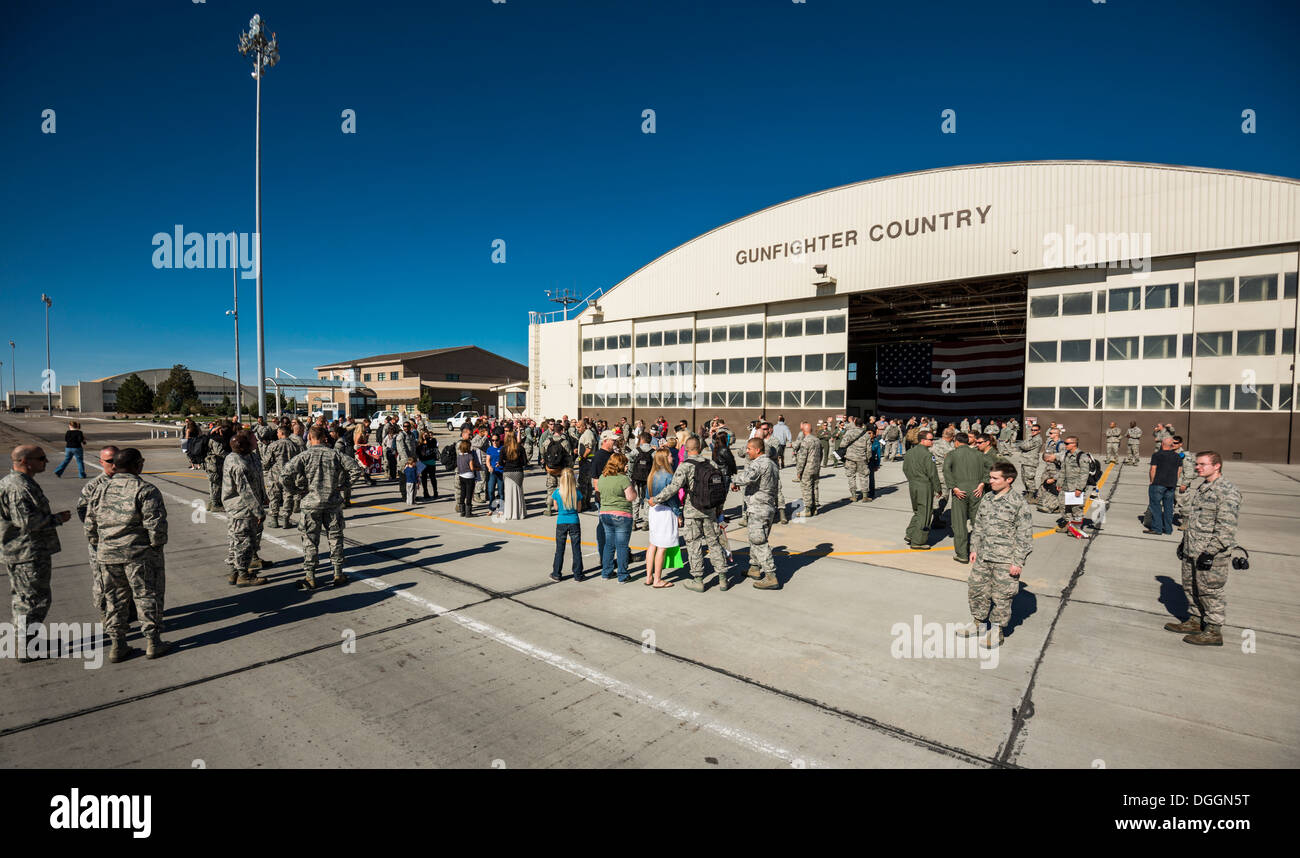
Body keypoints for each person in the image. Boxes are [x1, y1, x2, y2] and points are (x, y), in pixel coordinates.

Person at [85, 447, 170, 661]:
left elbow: (90, 525)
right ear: (136, 465)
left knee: (114, 600)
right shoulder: (145, 489)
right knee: (146, 595)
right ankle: (153, 642)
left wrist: (100, 544)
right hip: (138, 554)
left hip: (107, 555)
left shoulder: (100, 489)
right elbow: (156, 527)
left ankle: (117, 645)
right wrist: (156, 547)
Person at [1, 445, 71, 660]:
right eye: (41, 458)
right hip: (26, 552)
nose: (45, 462)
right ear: (25, 461)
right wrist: (57, 519)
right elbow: (26, 522)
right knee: (33, 600)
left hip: (23, 550)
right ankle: (26, 647)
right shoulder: (19, 487)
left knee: (24, 598)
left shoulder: (17, 482)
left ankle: (29, 640)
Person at [1166, 451, 1241, 646]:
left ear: (1217, 466)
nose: (1197, 467)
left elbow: (1226, 528)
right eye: (1197, 464)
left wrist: (1210, 551)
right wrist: (1184, 543)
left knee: (1210, 592)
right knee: (1190, 587)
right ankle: (1194, 620)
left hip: (1211, 554)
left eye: (1202, 464)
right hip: (1193, 548)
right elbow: (1195, 519)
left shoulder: (1227, 491)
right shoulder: (1203, 487)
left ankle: (1213, 631)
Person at [956, 462, 1032, 649]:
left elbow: (1025, 534)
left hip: (1005, 559)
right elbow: (979, 525)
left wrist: (1018, 561)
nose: (990, 481)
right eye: (990, 477)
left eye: (995, 478)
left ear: (1008, 480)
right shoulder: (988, 498)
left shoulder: (1018, 502)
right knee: (976, 590)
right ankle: (978, 624)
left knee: (1002, 597)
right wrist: (974, 548)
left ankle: (996, 632)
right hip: (983, 556)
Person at [283, 426, 364, 590]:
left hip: (311, 503)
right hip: (332, 502)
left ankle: (311, 576)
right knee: (335, 538)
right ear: (325, 438)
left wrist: (296, 491)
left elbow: (285, 474)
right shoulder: (335, 454)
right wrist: (343, 486)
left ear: (310, 438)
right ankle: (338, 573)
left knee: (310, 540)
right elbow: (355, 469)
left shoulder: (304, 456)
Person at [650, 436, 729, 592]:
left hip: (692, 511)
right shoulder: (711, 464)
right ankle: (722, 578)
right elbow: (721, 488)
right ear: (700, 448)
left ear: (686, 449)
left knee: (694, 545)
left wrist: (656, 499)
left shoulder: (685, 466)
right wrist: (719, 508)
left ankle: (698, 579)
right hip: (710, 511)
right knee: (714, 543)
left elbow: (673, 487)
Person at [731, 437, 781, 590]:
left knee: (759, 541)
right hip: (767, 507)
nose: (747, 451)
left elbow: (747, 477)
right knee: (756, 539)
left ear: (757, 450)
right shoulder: (772, 464)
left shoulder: (759, 463)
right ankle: (754, 568)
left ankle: (771, 576)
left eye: (749, 449)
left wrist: (732, 480)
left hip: (759, 508)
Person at [76, 445, 120, 620]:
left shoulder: (126, 481)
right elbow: (82, 511)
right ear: (101, 462)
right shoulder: (94, 486)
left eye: (117, 460)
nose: (114, 464)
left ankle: (127, 610)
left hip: (123, 543)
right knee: (103, 581)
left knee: (124, 581)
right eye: (110, 461)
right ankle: (105, 614)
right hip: (101, 543)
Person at [222, 431, 270, 587]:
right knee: (244, 542)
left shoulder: (246, 457)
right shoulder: (239, 464)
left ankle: (235, 572)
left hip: (244, 507)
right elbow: (245, 491)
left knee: (237, 540)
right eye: (252, 441)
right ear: (244, 446)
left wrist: (263, 495)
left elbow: (258, 479)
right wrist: (258, 511)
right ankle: (243, 575)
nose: (255, 442)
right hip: (242, 509)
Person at [943, 433, 988, 565]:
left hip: (960, 492)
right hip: (977, 491)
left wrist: (953, 487)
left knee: (959, 523)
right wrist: (982, 483)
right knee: (978, 522)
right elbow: (990, 468)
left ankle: (962, 554)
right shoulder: (979, 454)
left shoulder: (952, 454)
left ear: (956, 442)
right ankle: (979, 552)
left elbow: (946, 470)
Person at [597, 452, 638, 582]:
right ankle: (622, 574)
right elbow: (631, 497)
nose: (627, 467)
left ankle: (607, 572)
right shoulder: (623, 479)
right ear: (619, 465)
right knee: (622, 546)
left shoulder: (602, 477)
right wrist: (634, 489)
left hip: (605, 514)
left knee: (609, 544)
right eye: (625, 464)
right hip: (621, 515)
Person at [644, 449, 680, 589]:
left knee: (653, 543)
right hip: (665, 512)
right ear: (665, 459)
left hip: (654, 511)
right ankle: (657, 579)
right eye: (670, 455)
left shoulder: (652, 475)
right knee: (662, 546)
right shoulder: (669, 476)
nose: (672, 457)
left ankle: (649, 576)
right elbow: (672, 499)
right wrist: (678, 514)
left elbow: (648, 496)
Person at [903, 430, 941, 549]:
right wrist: (938, 488)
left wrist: (912, 479)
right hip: (924, 485)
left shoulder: (909, 452)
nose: (932, 441)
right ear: (923, 440)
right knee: (925, 513)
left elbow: (905, 469)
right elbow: (932, 473)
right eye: (930, 439)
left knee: (917, 511)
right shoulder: (928, 455)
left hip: (913, 484)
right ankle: (918, 541)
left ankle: (910, 534)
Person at [550, 468, 585, 581]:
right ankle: (578, 574)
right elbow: (579, 509)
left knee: (560, 549)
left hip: (561, 521)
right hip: (574, 521)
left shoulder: (557, 493)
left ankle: (556, 573)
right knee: (576, 548)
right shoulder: (577, 493)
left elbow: (556, 507)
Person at [1145, 436, 1181, 535]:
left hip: (1158, 484)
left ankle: (1157, 528)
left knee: (1156, 506)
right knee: (1169, 508)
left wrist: (1152, 481)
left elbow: (1153, 469)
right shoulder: (1177, 456)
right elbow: (1179, 470)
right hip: (1171, 485)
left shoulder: (1157, 455)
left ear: (1162, 444)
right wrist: (1174, 481)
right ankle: (1168, 529)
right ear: (1171, 445)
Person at [1058, 436, 1094, 527]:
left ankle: (1076, 528)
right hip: (1066, 486)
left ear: (1074, 444)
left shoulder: (1082, 456)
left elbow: (1084, 474)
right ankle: (1069, 525)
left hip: (1075, 487)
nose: (1065, 445)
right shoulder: (1067, 454)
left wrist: (1079, 488)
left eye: (1067, 443)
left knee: (1076, 508)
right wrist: (1059, 483)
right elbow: (1063, 470)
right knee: (1064, 507)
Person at [792, 421, 822, 517]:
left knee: (806, 488)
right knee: (814, 487)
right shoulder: (817, 440)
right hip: (816, 467)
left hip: (807, 469)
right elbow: (821, 454)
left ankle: (808, 509)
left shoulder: (805, 441)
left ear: (803, 431)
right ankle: (815, 508)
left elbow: (802, 458)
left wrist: (799, 471)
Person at [204, 420, 232, 511]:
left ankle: (212, 503)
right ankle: (214, 505)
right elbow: (220, 452)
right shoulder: (216, 439)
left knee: (214, 484)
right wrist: (232, 455)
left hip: (214, 464)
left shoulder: (213, 437)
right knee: (215, 484)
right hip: (214, 464)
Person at [840, 418, 870, 503]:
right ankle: (865, 496)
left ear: (855, 423)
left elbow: (842, 444)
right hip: (862, 458)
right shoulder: (866, 434)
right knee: (864, 476)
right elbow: (869, 449)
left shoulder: (849, 432)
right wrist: (867, 458)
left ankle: (853, 496)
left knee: (851, 476)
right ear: (862, 424)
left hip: (850, 458)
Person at [499, 432, 528, 519]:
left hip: (507, 472)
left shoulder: (504, 449)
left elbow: (500, 462)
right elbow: (525, 462)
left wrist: (505, 464)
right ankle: (519, 513)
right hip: (518, 472)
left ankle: (509, 514)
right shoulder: (520, 448)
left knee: (508, 493)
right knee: (518, 493)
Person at [1016, 424, 1043, 501]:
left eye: (1035, 430)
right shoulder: (1031, 437)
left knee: (1029, 479)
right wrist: (1022, 444)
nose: (1033, 431)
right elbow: (1023, 444)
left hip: (1031, 462)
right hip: (1025, 461)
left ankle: (1032, 496)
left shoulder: (1037, 439)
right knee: (1024, 478)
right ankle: (1028, 493)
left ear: (1039, 431)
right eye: (1032, 430)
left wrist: (1021, 445)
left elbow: (1025, 446)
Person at [455, 439, 478, 517]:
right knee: (469, 494)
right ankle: (468, 512)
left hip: (461, 475)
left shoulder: (459, 456)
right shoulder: (469, 456)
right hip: (469, 476)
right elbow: (471, 468)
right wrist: (477, 468)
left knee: (463, 493)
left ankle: (462, 511)